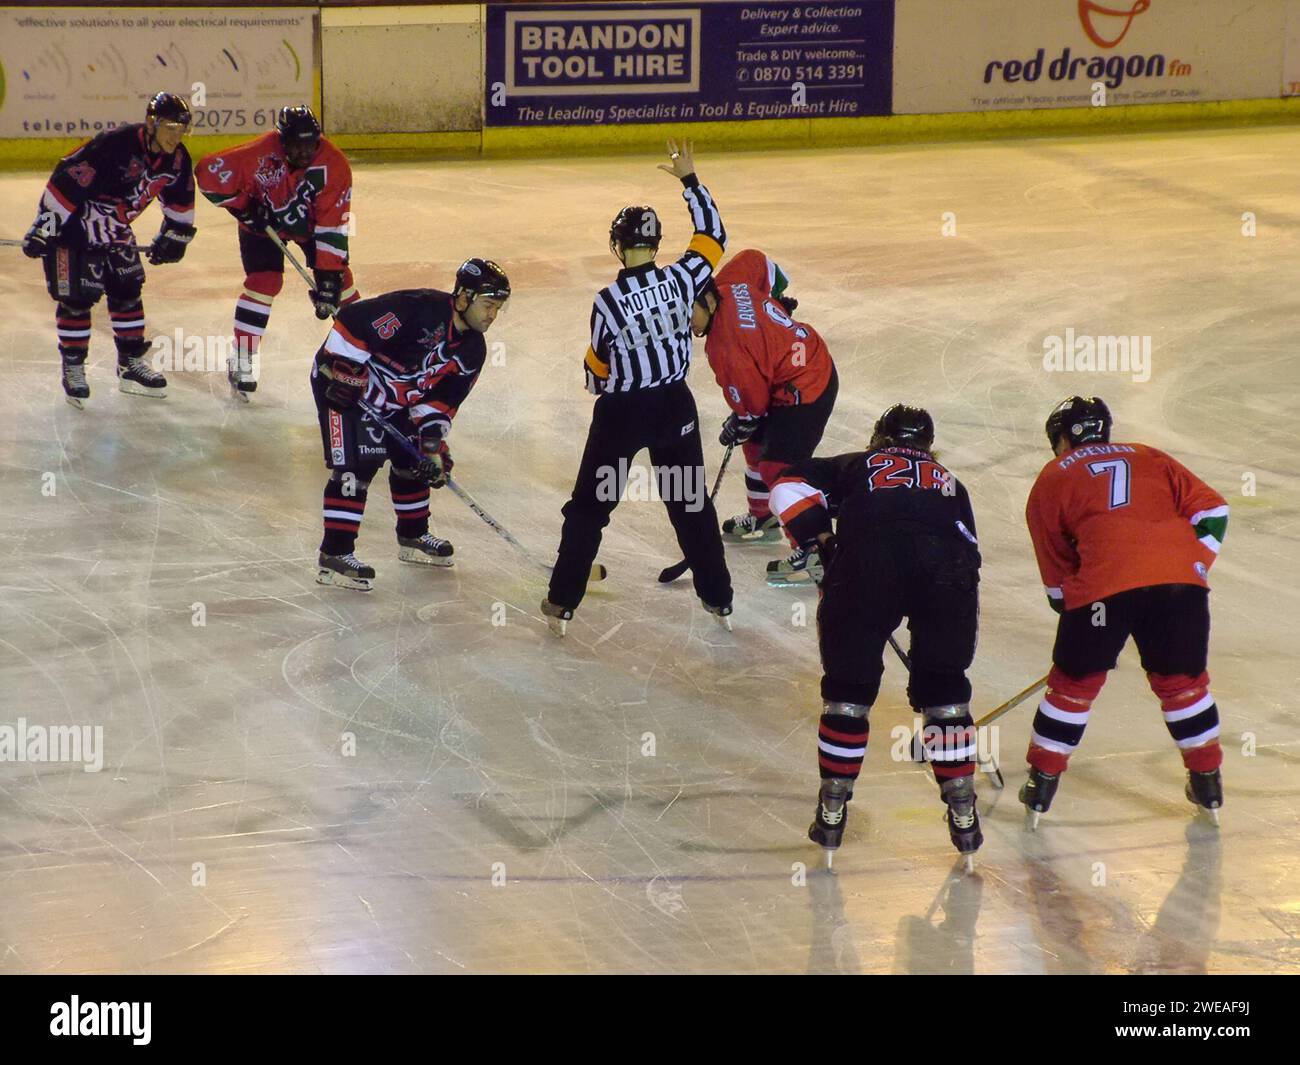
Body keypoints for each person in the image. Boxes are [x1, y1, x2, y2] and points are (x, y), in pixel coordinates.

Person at [769, 405, 983, 865]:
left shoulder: (857, 464)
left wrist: (820, 540)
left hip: (868, 567)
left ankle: (832, 810)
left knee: (849, 693)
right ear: (928, 447)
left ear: (878, 438)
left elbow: (785, 485)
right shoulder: (950, 482)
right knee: (946, 693)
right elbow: (970, 550)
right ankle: (963, 809)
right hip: (949, 572)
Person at [541, 140, 733, 636]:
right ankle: (719, 598)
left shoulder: (608, 300)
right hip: (675, 409)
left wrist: (598, 379)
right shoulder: (685, 278)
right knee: (690, 503)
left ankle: (563, 601)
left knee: (590, 507)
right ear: (656, 242)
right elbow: (713, 234)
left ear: (617, 246)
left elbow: (597, 367)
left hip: (623, 415)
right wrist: (690, 180)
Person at [1021, 396, 1230, 827]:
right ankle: (1207, 782)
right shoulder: (1150, 455)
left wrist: (1074, 612)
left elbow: (1054, 559)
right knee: (1183, 686)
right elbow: (1215, 509)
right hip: (1179, 587)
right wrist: (1192, 563)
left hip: (1103, 591)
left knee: (1073, 688)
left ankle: (1041, 786)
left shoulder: (1053, 475)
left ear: (1062, 436)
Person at [310, 259, 510, 590]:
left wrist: (431, 447)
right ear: (463, 298)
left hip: (396, 400)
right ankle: (335, 553)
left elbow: (441, 403)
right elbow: (354, 319)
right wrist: (344, 367)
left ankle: (413, 535)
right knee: (357, 466)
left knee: (415, 458)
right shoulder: (417, 310)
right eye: (488, 305)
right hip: (344, 389)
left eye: (497, 308)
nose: (492, 315)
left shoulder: (473, 349)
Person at [22, 92, 196, 407]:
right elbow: (67, 181)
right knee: (77, 299)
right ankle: (74, 366)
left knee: (128, 288)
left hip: (114, 230)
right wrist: (44, 229)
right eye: (170, 127)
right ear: (151, 123)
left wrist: (175, 235)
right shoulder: (115, 145)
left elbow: (179, 200)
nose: (176, 135)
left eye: (181, 129)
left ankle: (129, 362)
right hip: (72, 229)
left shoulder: (178, 160)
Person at [691, 248, 838, 584]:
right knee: (755, 443)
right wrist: (775, 302)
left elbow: (754, 407)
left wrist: (740, 420)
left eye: (690, 314)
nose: (689, 325)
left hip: (807, 386)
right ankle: (764, 518)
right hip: (800, 363)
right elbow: (759, 261)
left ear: (708, 302)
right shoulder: (729, 283)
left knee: (778, 468)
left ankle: (816, 548)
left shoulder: (724, 347)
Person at [197, 104, 357, 399]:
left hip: (310, 226)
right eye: (297, 145)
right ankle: (242, 358)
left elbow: (332, 228)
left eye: (311, 144)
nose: (305, 152)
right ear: (282, 141)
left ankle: (362, 352)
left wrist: (328, 279)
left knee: (341, 283)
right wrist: (245, 209)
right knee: (265, 283)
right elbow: (207, 173)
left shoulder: (334, 165)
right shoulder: (260, 152)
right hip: (264, 224)